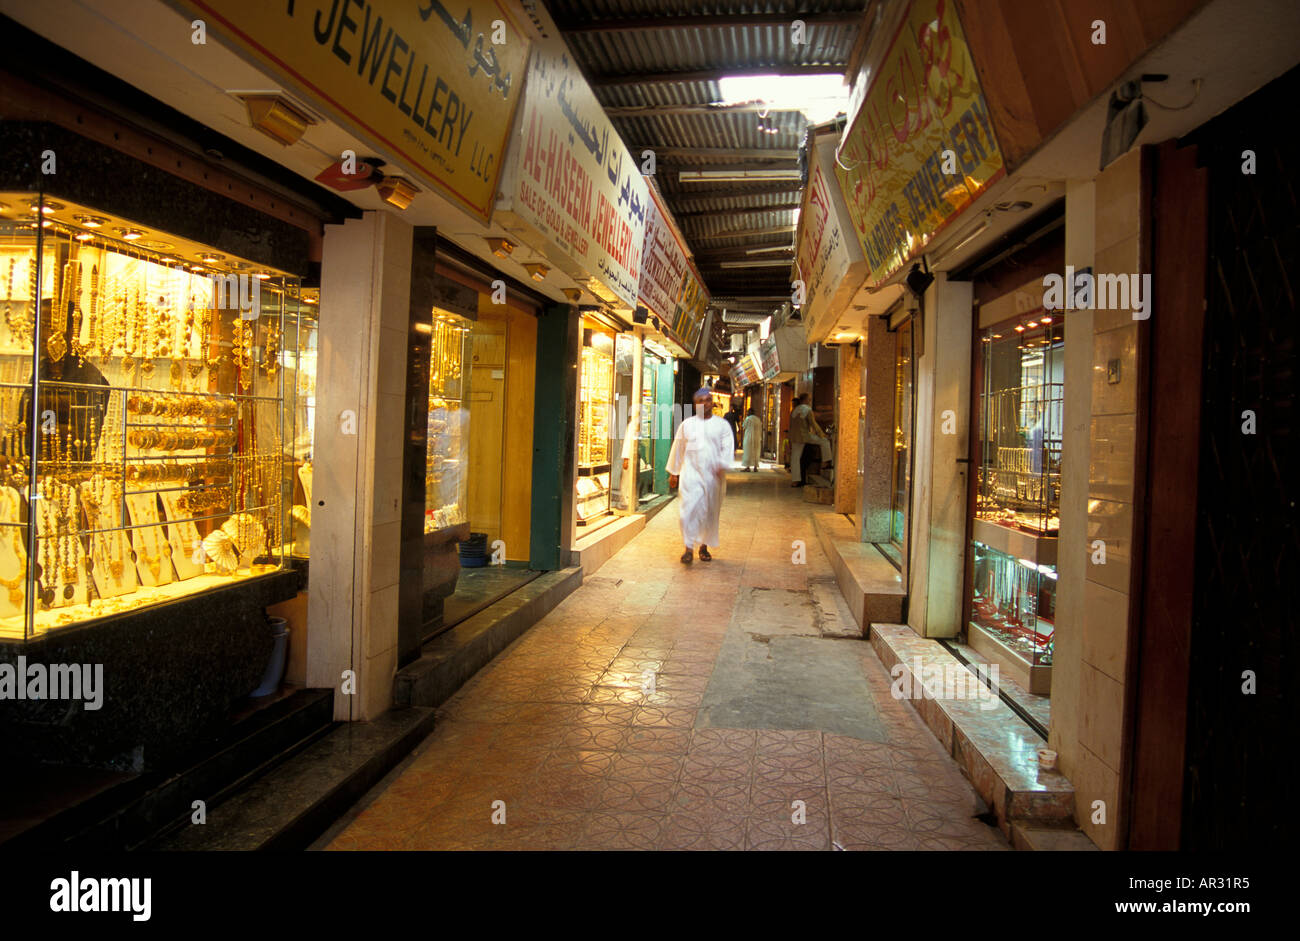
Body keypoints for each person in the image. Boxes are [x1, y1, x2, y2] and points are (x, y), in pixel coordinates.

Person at [666, 387, 733, 563]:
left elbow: (728, 448)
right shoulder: (687, 425)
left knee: (709, 513)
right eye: (700, 401)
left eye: (707, 400)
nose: (704, 403)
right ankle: (688, 548)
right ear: (695, 405)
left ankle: (703, 547)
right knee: (687, 512)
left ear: (712, 403)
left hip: (713, 478)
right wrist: (674, 472)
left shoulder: (722, 425)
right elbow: (678, 449)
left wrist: (722, 464)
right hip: (690, 476)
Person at [789, 393, 831, 487]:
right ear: (806, 400)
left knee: (795, 458)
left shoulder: (794, 410)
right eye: (809, 399)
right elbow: (813, 424)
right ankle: (825, 462)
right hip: (805, 436)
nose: (810, 401)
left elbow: (791, 426)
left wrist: (790, 438)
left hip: (795, 437)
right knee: (824, 441)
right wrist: (822, 434)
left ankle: (795, 480)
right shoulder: (807, 410)